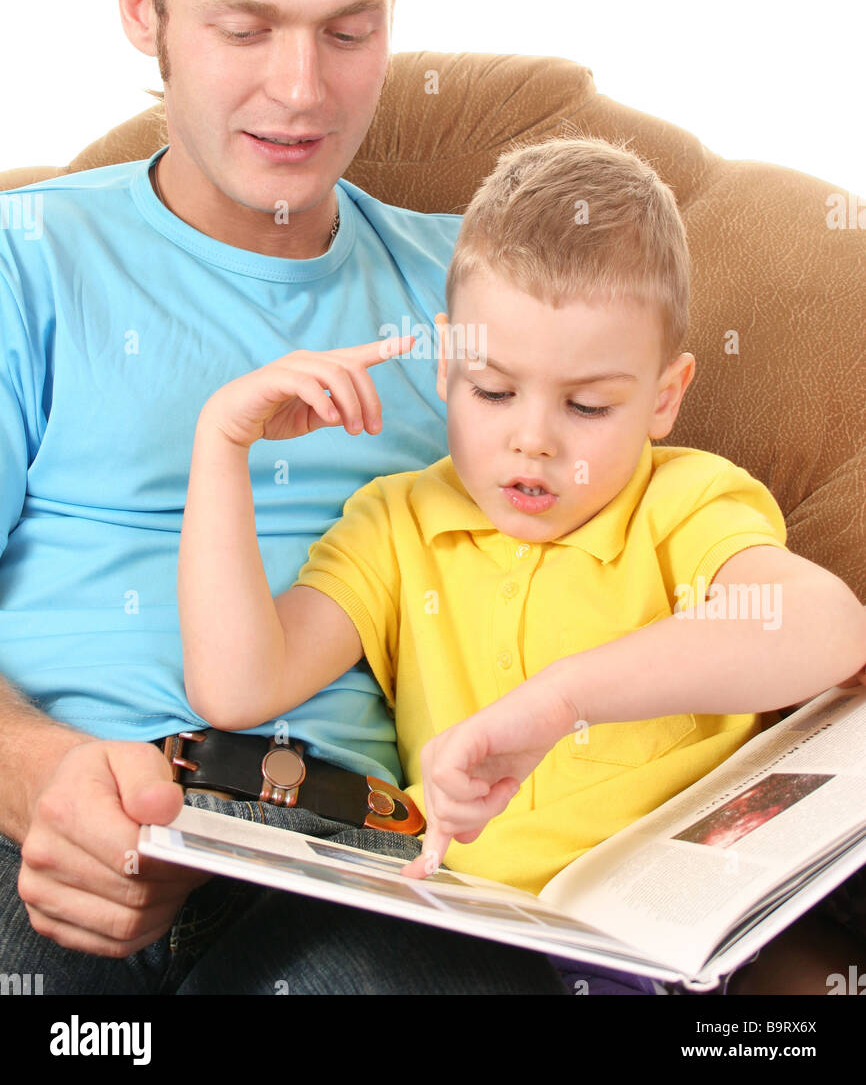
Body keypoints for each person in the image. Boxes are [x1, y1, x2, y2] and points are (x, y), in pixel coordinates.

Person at [0, 0, 569, 994]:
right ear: (142, 9)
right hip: (49, 835)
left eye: (348, 30)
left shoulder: (481, 288)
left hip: (351, 861)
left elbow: (627, 524)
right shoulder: (28, 257)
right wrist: (39, 773)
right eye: (246, 28)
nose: (302, 90)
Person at [177, 136, 866, 990]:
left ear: (664, 396)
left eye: (586, 404)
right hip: (485, 951)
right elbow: (237, 687)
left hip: (698, 938)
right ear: (445, 361)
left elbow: (828, 626)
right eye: (492, 390)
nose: (532, 440)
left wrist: (561, 701)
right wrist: (222, 444)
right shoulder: (400, 525)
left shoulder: (681, 502)